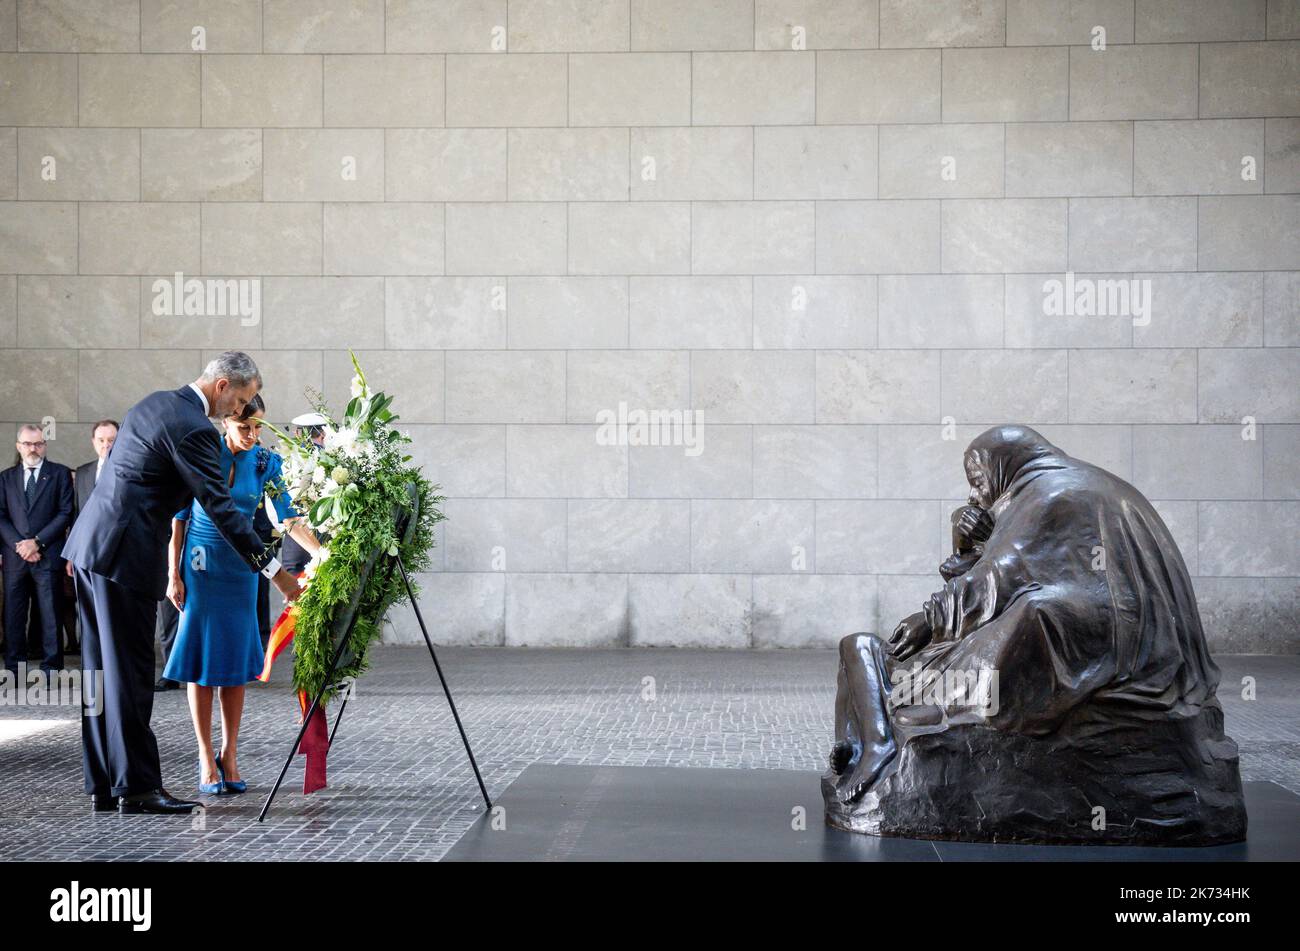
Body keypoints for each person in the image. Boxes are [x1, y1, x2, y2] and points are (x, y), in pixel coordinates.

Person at [827, 425, 1223, 805]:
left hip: (1111, 640)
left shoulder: (1051, 493)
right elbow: (1015, 568)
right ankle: (866, 741)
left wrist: (928, 619)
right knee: (861, 648)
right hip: (1117, 631)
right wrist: (968, 544)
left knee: (1033, 613)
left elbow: (1001, 578)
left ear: (1003, 467)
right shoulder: (1069, 484)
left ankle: (927, 712)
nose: (974, 495)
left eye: (978, 482)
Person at [62, 352, 304, 815]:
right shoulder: (194, 427)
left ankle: (104, 782)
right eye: (242, 398)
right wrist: (278, 575)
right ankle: (136, 789)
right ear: (223, 385)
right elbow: (220, 509)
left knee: (98, 675)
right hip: (123, 556)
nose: (240, 410)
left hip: (92, 549)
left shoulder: (155, 403)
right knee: (130, 676)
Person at [163, 394, 321, 794]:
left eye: (258, 428)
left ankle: (230, 753)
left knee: (234, 662)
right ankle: (204, 756)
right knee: (201, 661)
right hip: (199, 565)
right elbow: (178, 520)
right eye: (244, 427)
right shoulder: (202, 453)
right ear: (226, 422)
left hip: (242, 567)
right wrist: (173, 575)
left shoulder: (267, 462)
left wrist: (321, 552)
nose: (252, 436)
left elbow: (287, 517)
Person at [0, 425, 74, 678]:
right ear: (19, 446)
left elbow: (65, 512)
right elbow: (1, 517)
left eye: (39, 443)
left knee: (50, 613)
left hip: (48, 554)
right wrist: (20, 546)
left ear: (45, 445)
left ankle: (52, 669)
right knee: (13, 614)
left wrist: (37, 542)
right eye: (28, 444)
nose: (34, 448)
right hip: (15, 557)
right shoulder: (5, 478)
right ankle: (14, 669)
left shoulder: (60, 474)